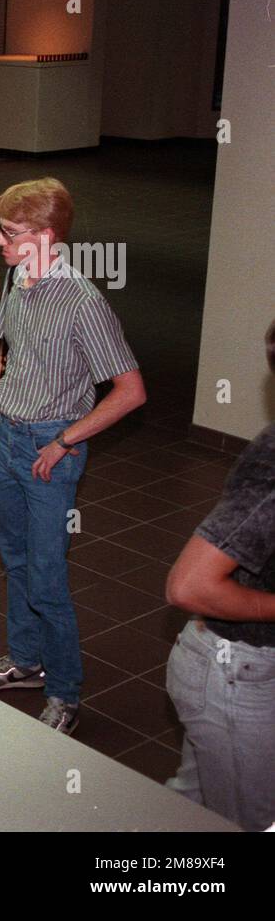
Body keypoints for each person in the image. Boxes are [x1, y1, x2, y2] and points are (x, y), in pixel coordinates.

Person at [0, 177, 146, 735]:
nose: (0, 240)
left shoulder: (83, 301)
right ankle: (26, 661)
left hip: (50, 448)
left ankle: (64, 691)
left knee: (46, 577)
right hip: (8, 439)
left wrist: (66, 440)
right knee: (14, 560)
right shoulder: (18, 277)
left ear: (46, 237)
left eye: (11, 232)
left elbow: (130, 391)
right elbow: (8, 345)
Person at [163, 319, 275, 832]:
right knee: (248, 822)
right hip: (238, 673)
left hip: (243, 671)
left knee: (194, 805)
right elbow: (189, 586)